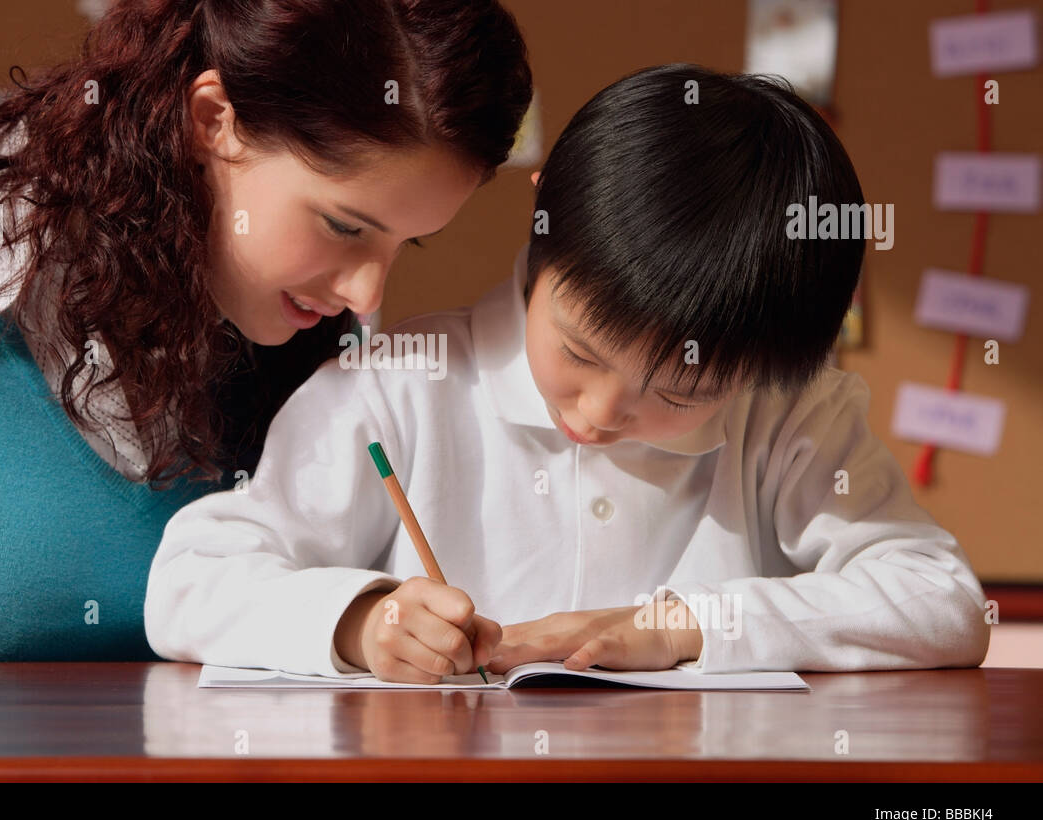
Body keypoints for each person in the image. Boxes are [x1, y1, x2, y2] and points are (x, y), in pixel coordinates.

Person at [0, 0, 533, 701]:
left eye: (407, 245)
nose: (367, 296)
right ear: (212, 120)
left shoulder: (311, 354)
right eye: (343, 225)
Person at [144, 63, 991, 682]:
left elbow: (941, 601)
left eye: (682, 392)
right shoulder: (401, 387)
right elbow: (192, 580)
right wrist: (363, 620)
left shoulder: (787, 416)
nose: (599, 412)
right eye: (580, 352)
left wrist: (693, 622)